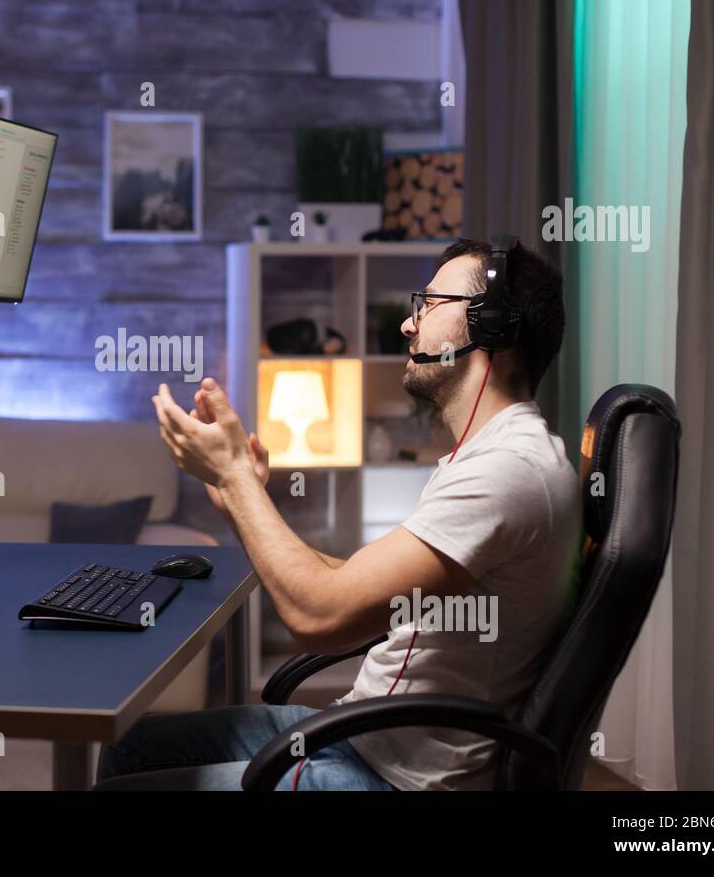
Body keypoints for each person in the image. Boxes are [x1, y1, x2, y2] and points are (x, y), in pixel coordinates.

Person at [95, 238, 578, 790]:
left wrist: (232, 475)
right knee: (130, 749)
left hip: (400, 777)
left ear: (490, 324)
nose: (407, 324)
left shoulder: (506, 472)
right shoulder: (495, 456)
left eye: (428, 304)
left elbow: (319, 619)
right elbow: (347, 585)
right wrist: (241, 498)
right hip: (368, 737)